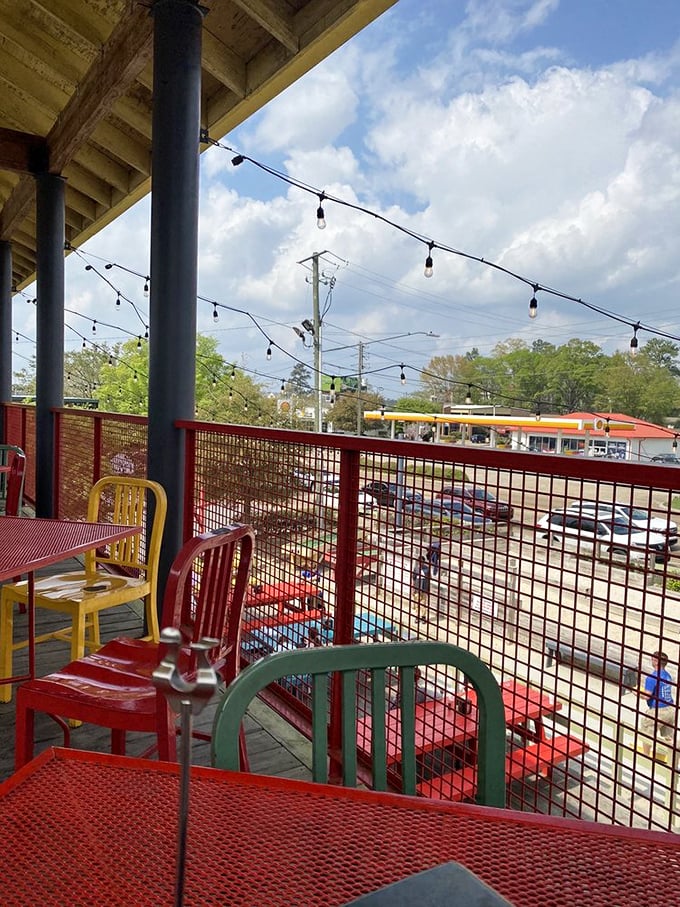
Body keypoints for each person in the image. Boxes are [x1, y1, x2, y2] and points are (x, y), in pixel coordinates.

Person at [639, 650, 675, 759]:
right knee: (669, 735)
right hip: (670, 708)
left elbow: (646, 696)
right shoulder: (667, 675)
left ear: (656, 661)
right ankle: (673, 757)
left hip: (658, 710)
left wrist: (636, 692)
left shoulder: (652, 677)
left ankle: (645, 756)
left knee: (647, 731)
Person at [411, 554, 431, 623]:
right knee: (417, 604)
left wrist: (428, 589)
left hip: (424, 589)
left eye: (422, 561)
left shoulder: (427, 569)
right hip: (417, 589)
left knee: (423, 604)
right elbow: (413, 579)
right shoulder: (416, 568)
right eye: (419, 561)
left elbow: (428, 579)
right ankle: (417, 616)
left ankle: (423, 617)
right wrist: (413, 589)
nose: (420, 563)